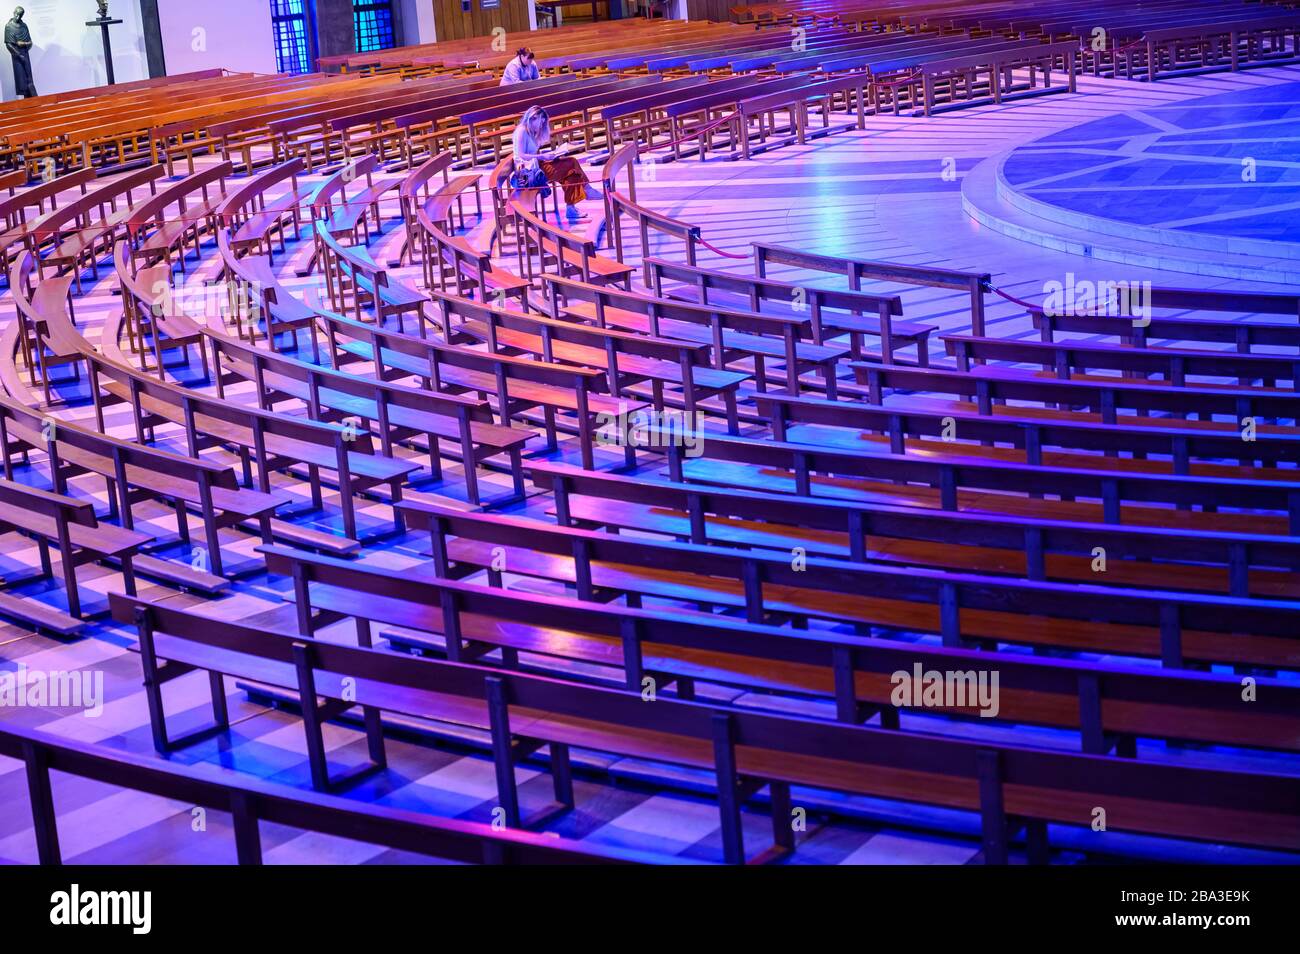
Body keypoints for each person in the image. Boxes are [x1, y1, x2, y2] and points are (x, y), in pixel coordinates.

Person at [510, 105, 602, 223]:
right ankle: (586, 191)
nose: (542, 125)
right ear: (533, 117)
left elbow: (532, 155)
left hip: (536, 166)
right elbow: (520, 155)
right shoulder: (522, 131)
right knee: (571, 163)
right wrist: (542, 156)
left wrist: (552, 155)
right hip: (528, 173)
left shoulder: (531, 132)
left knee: (571, 172)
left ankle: (571, 208)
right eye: (541, 122)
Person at [5, 6, 35, 99]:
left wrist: (24, 44)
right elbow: (9, 44)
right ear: (14, 12)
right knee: (21, 78)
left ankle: (30, 95)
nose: (17, 17)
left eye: (20, 15)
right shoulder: (9, 26)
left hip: (25, 53)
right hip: (16, 55)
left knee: (28, 77)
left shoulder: (24, 26)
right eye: (17, 14)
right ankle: (25, 96)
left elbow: (30, 42)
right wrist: (18, 54)